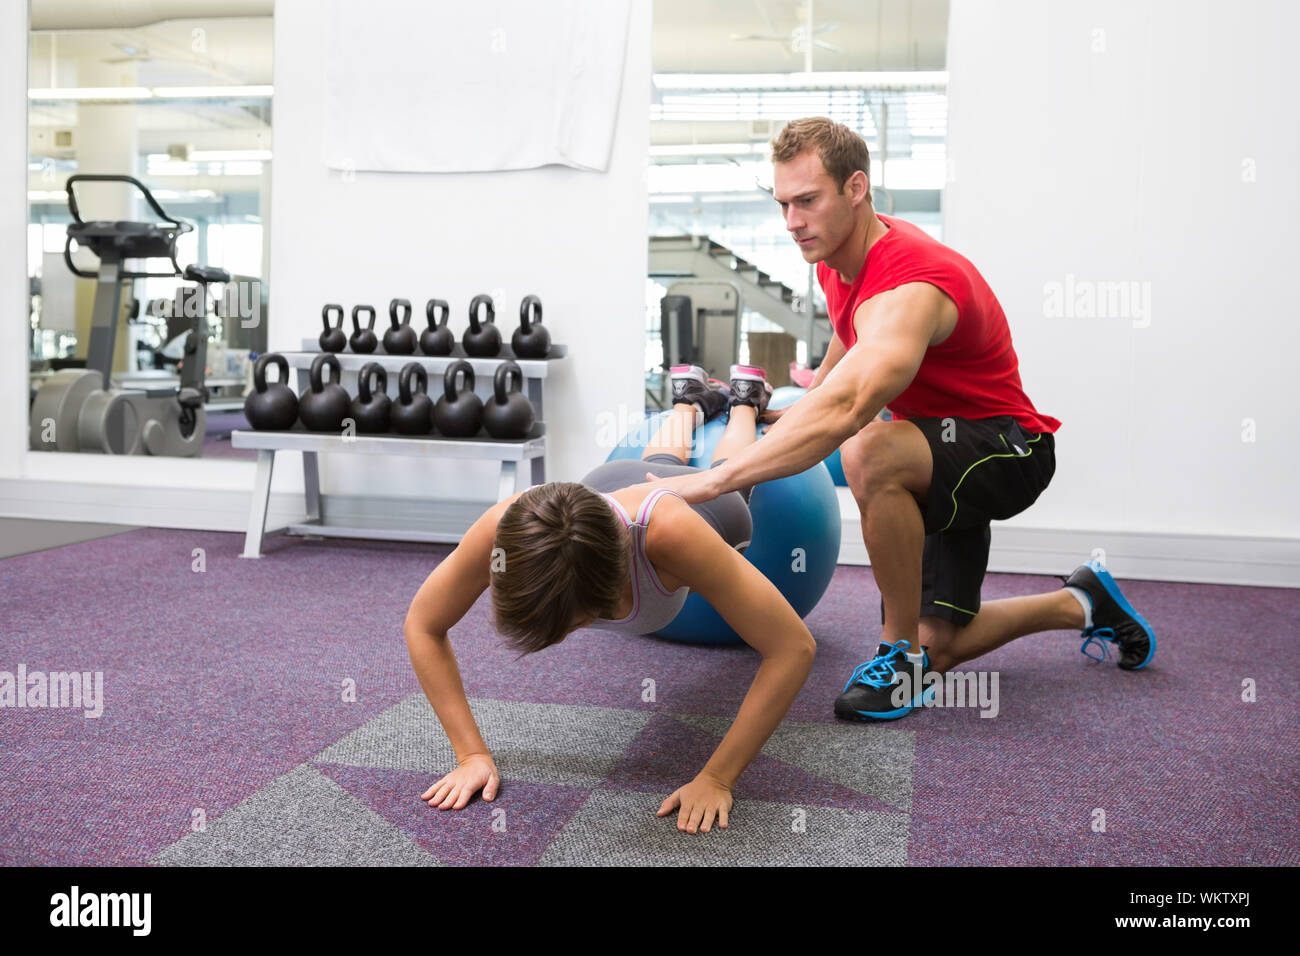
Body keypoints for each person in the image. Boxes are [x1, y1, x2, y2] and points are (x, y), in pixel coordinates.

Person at [647, 117, 1157, 721]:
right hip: (933, 459)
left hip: (1008, 450)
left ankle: (897, 655)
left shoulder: (911, 281)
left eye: (807, 201)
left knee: (868, 447)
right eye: (784, 203)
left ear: (856, 187)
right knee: (942, 645)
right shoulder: (837, 260)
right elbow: (841, 364)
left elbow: (850, 404)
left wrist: (710, 481)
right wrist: (773, 415)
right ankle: (1082, 601)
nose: (792, 223)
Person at [403, 363, 812, 835]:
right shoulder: (505, 527)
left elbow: (792, 648)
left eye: (574, 625)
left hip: (704, 512)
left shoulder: (672, 537)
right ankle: (690, 402)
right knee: (662, 463)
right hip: (614, 478)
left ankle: (744, 402)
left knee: (729, 477)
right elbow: (424, 624)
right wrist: (470, 753)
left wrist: (717, 777)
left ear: (612, 587)